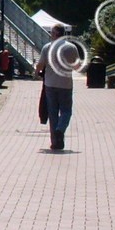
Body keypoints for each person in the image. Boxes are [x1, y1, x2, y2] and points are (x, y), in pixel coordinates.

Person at [36, 23, 82, 151]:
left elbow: (40, 65)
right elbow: (77, 66)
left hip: (50, 84)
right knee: (66, 111)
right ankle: (60, 130)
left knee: (53, 113)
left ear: (54, 34)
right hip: (65, 84)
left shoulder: (47, 48)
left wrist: (36, 73)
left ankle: (55, 142)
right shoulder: (71, 48)